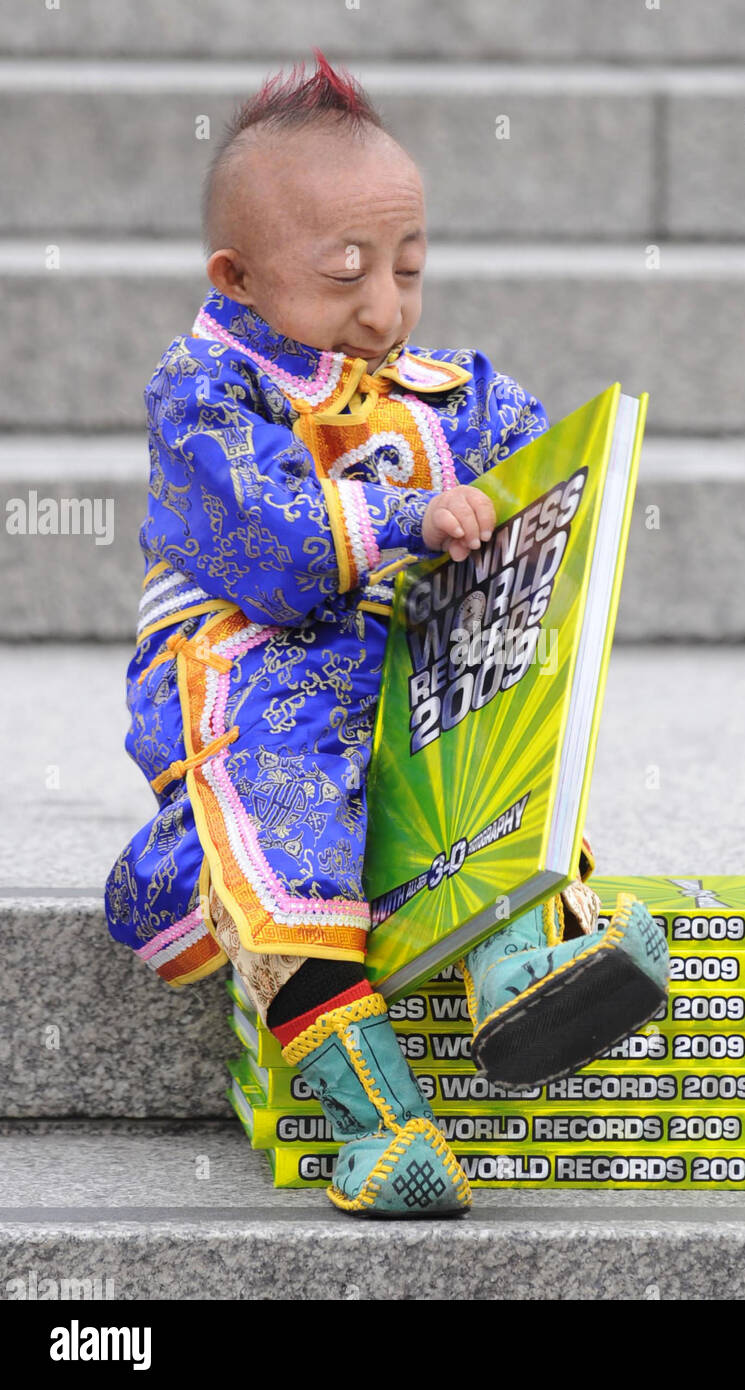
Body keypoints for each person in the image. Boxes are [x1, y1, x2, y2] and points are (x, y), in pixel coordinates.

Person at [105, 52, 668, 1219]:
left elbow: (519, 448)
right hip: (251, 669)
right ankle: (374, 1122)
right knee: (293, 828)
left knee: (480, 744)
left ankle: (528, 962)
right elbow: (259, 536)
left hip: (385, 655)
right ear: (239, 278)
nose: (383, 307)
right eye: (345, 274)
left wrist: (535, 503)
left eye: (407, 268)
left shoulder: (427, 383)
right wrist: (410, 514)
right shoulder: (204, 389)